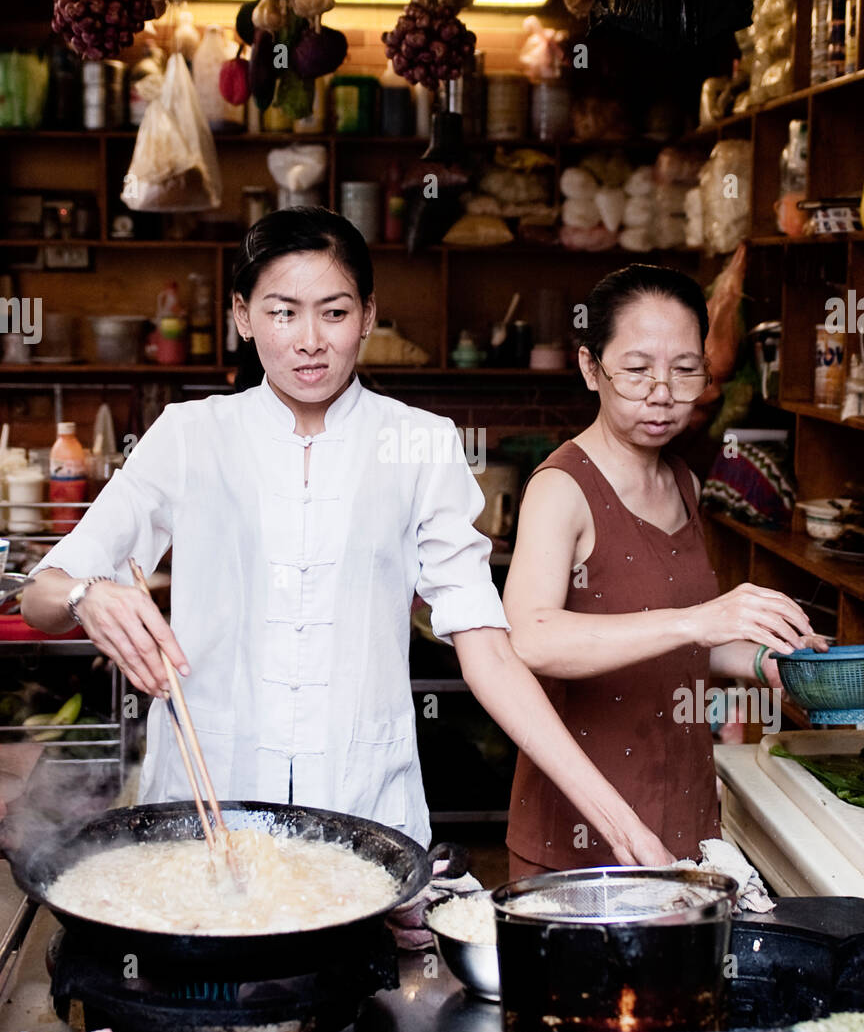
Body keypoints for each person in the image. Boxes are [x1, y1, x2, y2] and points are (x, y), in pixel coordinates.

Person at [22, 210, 673, 865]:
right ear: (243, 317)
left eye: (333, 313)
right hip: (204, 817)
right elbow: (39, 596)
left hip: (363, 823)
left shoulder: (420, 445)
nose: (310, 340)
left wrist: (616, 819)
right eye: (283, 313)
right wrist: (85, 595)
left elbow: (489, 651)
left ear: (367, 316)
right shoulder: (189, 437)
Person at [502, 263, 824, 880]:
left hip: (681, 811)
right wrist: (699, 620)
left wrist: (765, 658)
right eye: (637, 368)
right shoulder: (562, 487)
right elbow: (530, 638)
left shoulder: (681, 480)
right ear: (590, 368)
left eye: (684, 370)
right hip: (581, 830)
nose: (662, 391)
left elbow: (680, 648)